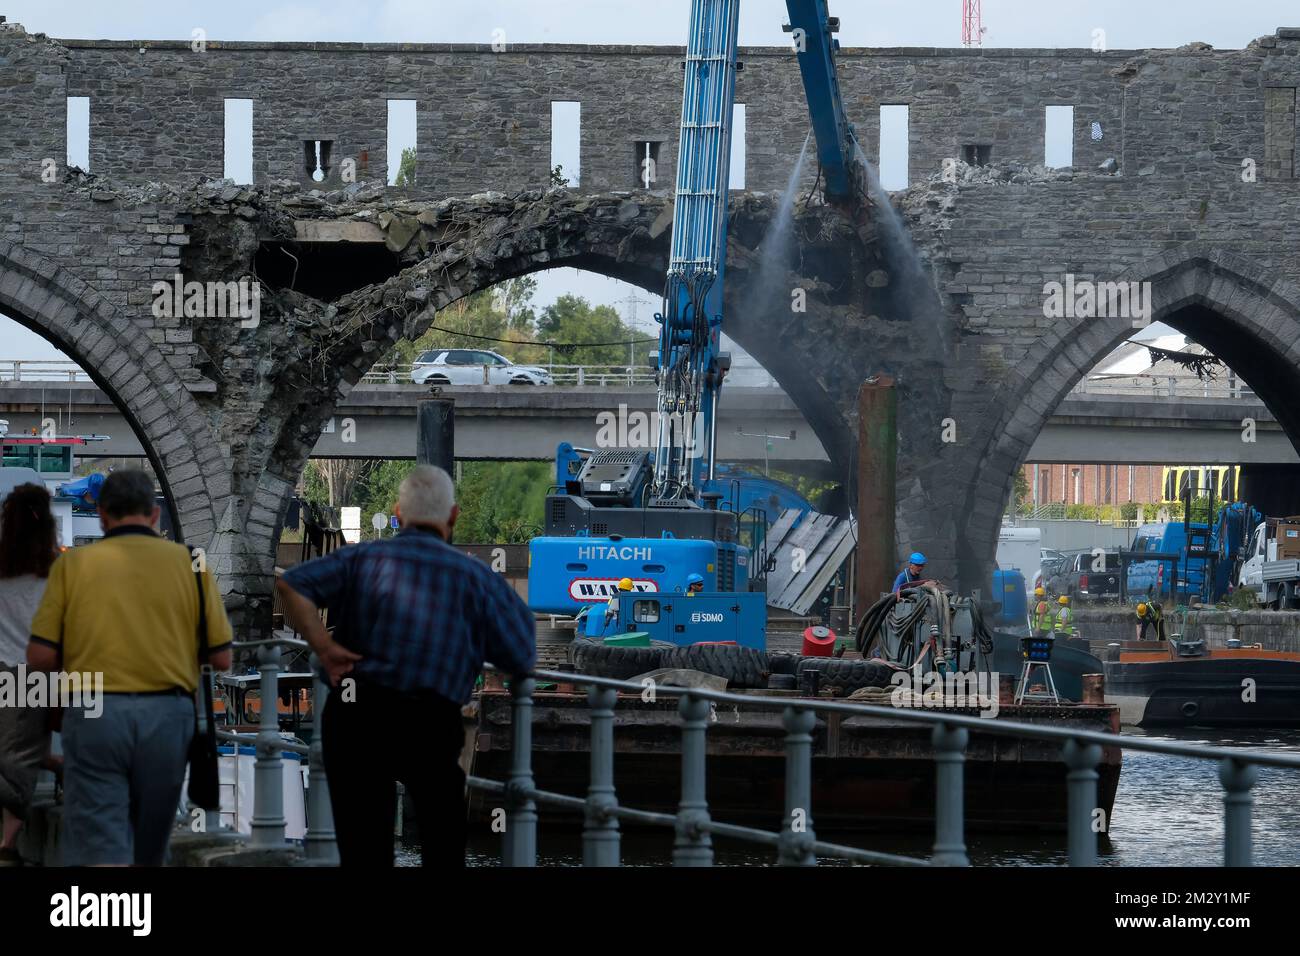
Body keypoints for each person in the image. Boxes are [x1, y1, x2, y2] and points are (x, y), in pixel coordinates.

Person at [276, 465, 536, 867]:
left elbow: (292, 585)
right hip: (431, 719)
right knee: (443, 835)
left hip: (357, 715)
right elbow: (521, 653)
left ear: (398, 513)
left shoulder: (364, 558)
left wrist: (325, 648)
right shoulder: (476, 577)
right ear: (453, 516)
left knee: (363, 849)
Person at [27, 469, 232, 866]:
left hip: (94, 711)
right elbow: (221, 658)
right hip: (168, 714)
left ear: (102, 515)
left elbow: (39, 657)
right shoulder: (192, 563)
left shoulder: (73, 565)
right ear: (154, 514)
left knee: (99, 835)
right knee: (151, 842)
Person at [0, 484, 59, 866]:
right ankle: (7, 844)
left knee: (11, 755)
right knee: (20, 759)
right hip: (36, 675)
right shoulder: (56, 571)